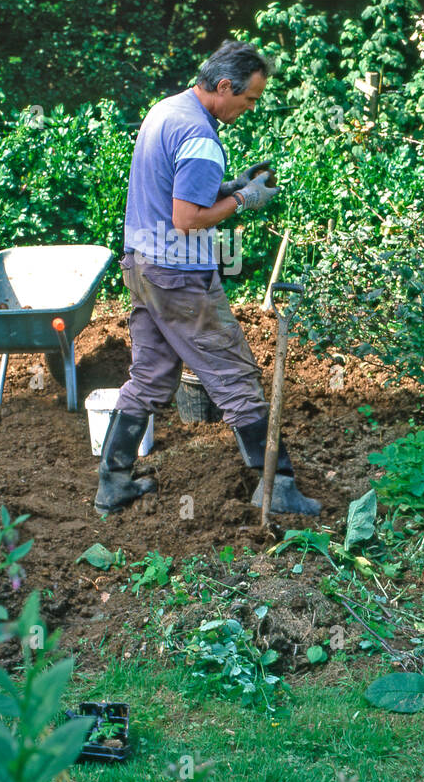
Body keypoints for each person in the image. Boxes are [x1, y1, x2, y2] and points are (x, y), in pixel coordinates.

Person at [95, 38, 321, 518]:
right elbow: (188, 217)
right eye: (249, 98)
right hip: (179, 275)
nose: (249, 108)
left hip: (142, 265)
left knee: (151, 378)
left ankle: (113, 484)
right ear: (224, 86)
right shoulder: (200, 136)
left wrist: (231, 185)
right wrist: (246, 201)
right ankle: (277, 489)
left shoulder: (166, 111)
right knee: (235, 375)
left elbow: (174, 190)